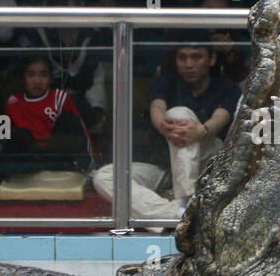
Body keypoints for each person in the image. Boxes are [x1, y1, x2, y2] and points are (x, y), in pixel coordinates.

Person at [91, 29, 240, 226]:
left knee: (179, 115)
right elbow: (157, 108)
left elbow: (221, 116)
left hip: (209, 162)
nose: (189, 64)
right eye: (182, 58)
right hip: (166, 166)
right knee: (104, 176)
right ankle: (176, 214)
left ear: (211, 59)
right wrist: (163, 124)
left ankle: (186, 199)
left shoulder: (226, 87)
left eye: (197, 57)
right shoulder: (166, 82)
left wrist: (201, 131)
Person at [0, 54, 93, 192]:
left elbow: (81, 131)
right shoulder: (13, 101)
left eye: (43, 75)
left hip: (54, 156)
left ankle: (89, 171)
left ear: (50, 78)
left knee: (69, 119)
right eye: (31, 75)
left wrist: (92, 164)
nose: (37, 81)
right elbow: (3, 139)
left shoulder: (59, 97)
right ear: (23, 79)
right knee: (17, 133)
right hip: (28, 160)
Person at [15, 0, 109, 132]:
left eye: (72, 8)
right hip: (45, 96)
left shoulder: (92, 35)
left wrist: (70, 93)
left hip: (83, 96)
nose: (67, 14)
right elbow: (36, 70)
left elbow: (88, 75)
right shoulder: (40, 34)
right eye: (62, 7)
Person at [196, 0, 251, 86]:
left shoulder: (232, 32)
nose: (214, 17)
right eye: (209, 11)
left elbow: (239, 76)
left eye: (221, 12)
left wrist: (229, 53)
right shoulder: (184, 31)